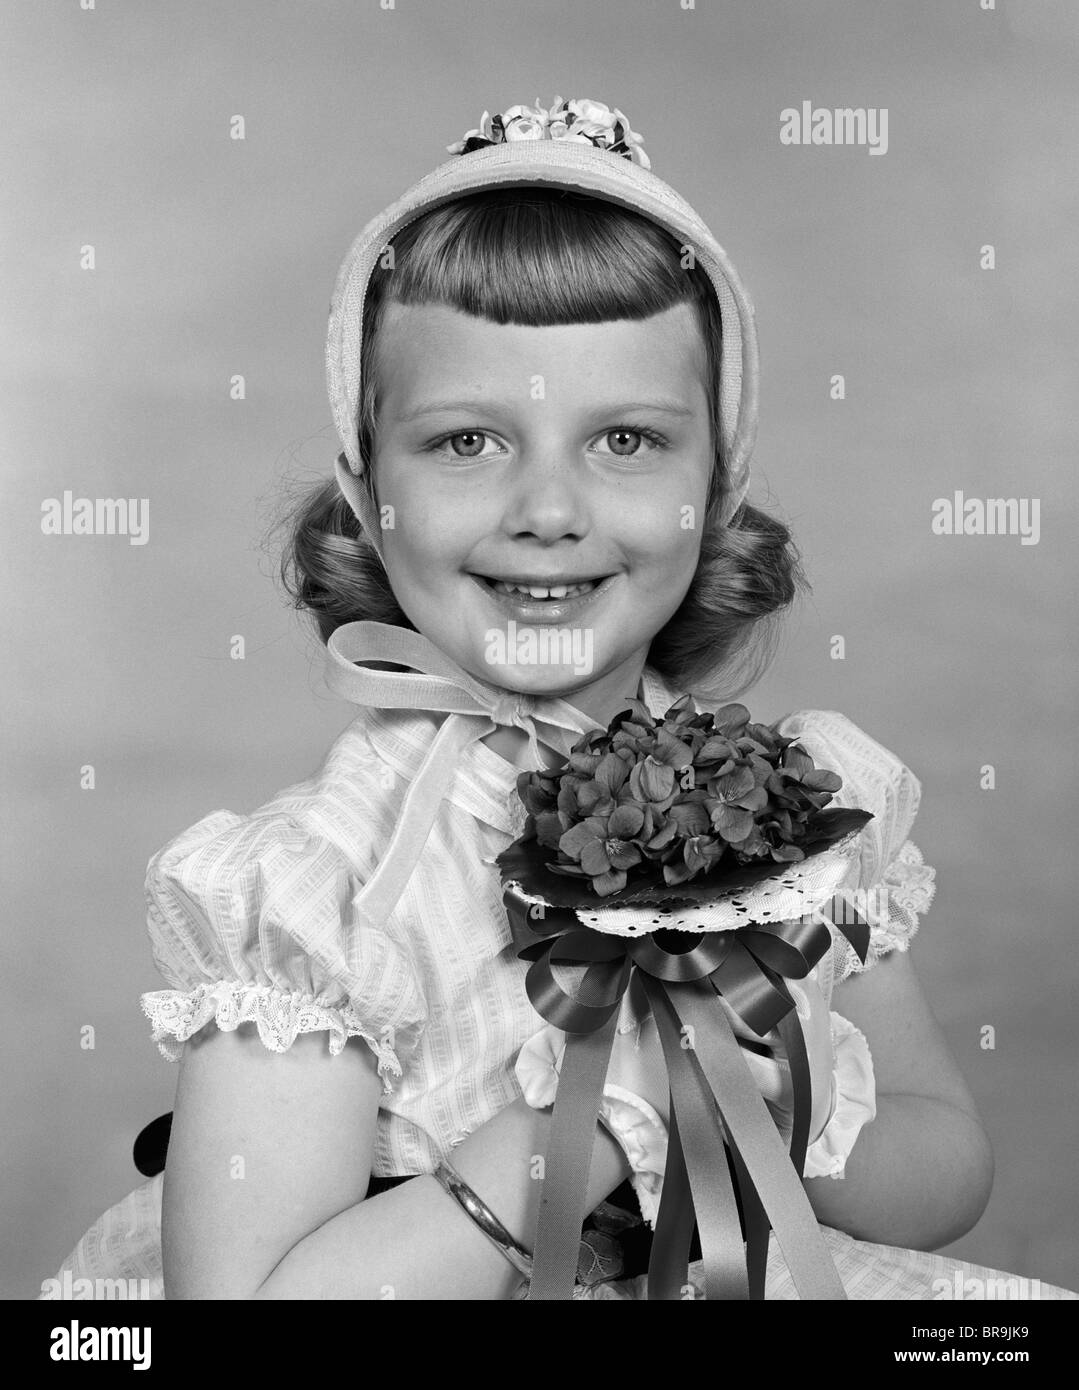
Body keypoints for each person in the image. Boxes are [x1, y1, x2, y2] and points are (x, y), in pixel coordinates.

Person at [40, 97, 1076, 1301]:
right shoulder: (328, 889)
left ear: (719, 483)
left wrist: (779, 1091)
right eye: (467, 442)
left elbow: (944, 1171)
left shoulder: (805, 814)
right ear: (365, 486)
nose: (548, 508)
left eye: (626, 441)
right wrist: (589, 1129)